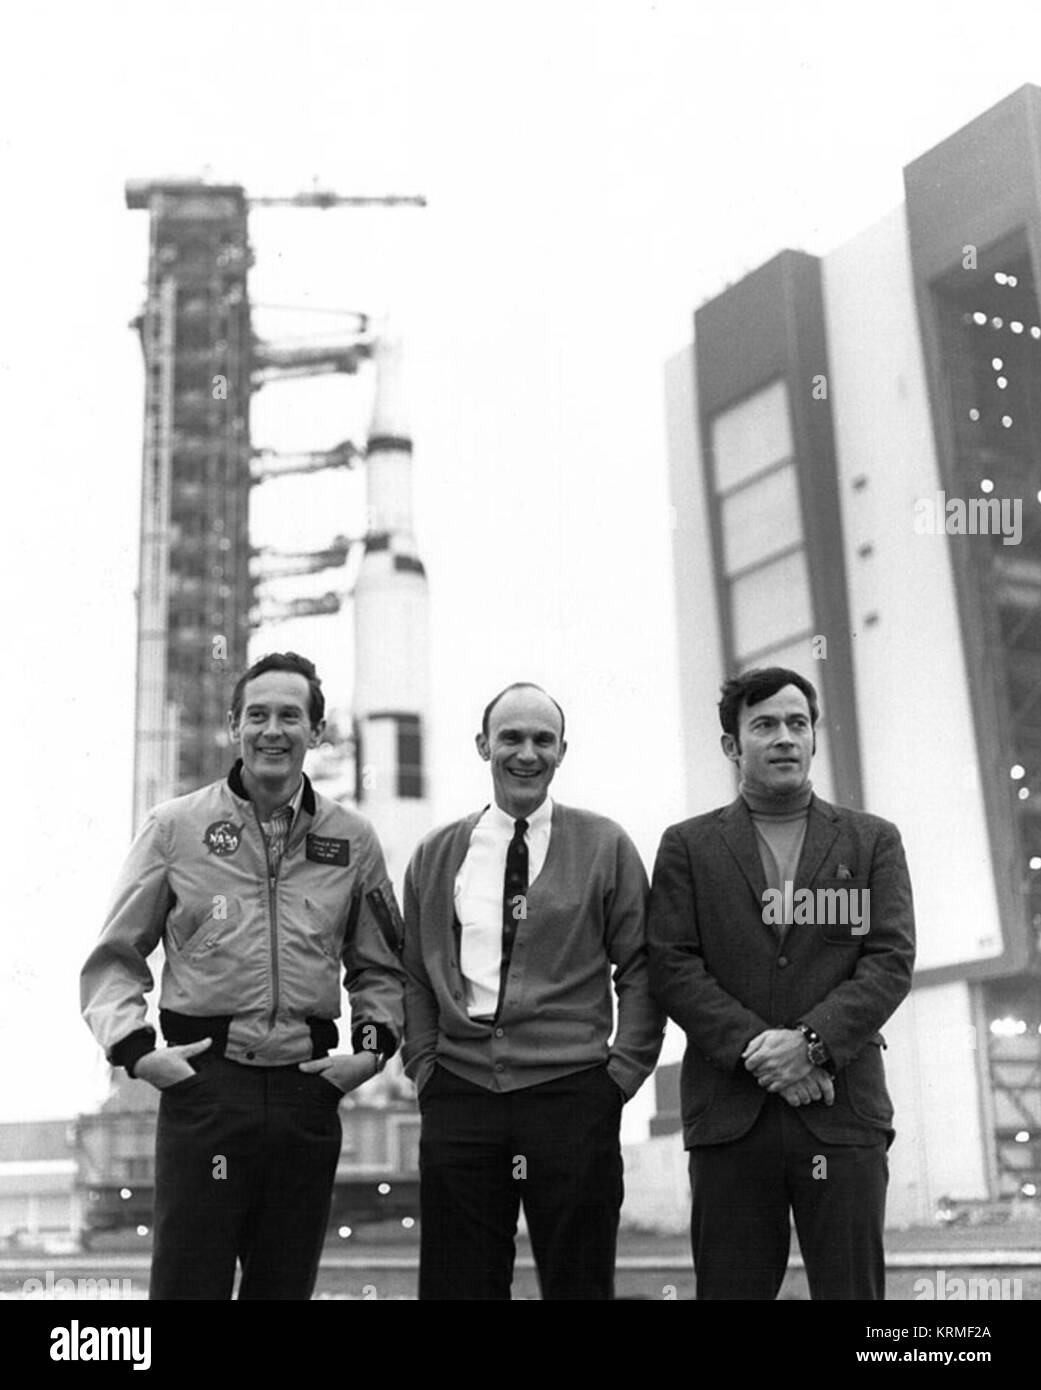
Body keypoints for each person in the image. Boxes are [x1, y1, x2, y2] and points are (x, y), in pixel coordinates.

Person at [81, 652, 405, 1300]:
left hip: (303, 1095)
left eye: (290, 716)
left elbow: (380, 968)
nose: (272, 731)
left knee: (282, 1287)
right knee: (187, 1288)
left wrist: (367, 1057)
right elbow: (115, 957)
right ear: (234, 726)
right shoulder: (176, 829)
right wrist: (138, 1052)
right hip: (207, 1089)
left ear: (316, 731)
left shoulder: (353, 841)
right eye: (257, 715)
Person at [647, 667, 915, 1301]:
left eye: (798, 723)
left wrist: (812, 1042)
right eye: (764, 725)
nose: (785, 738)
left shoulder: (872, 840)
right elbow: (673, 964)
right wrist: (764, 1052)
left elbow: (889, 959)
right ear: (732, 745)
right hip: (732, 1118)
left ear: (814, 738)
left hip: (841, 1111)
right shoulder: (688, 846)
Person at [402, 681, 664, 1300]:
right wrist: (424, 1068)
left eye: (542, 740)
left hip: (573, 1096)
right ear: (482, 746)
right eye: (511, 738)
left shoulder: (606, 845)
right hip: (460, 1095)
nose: (527, 753)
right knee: (458, 1285)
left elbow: (643, 969)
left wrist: (619, 1077)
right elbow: (413, 971)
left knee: (577, 1283)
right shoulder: (438, 854)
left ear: (562, 750)